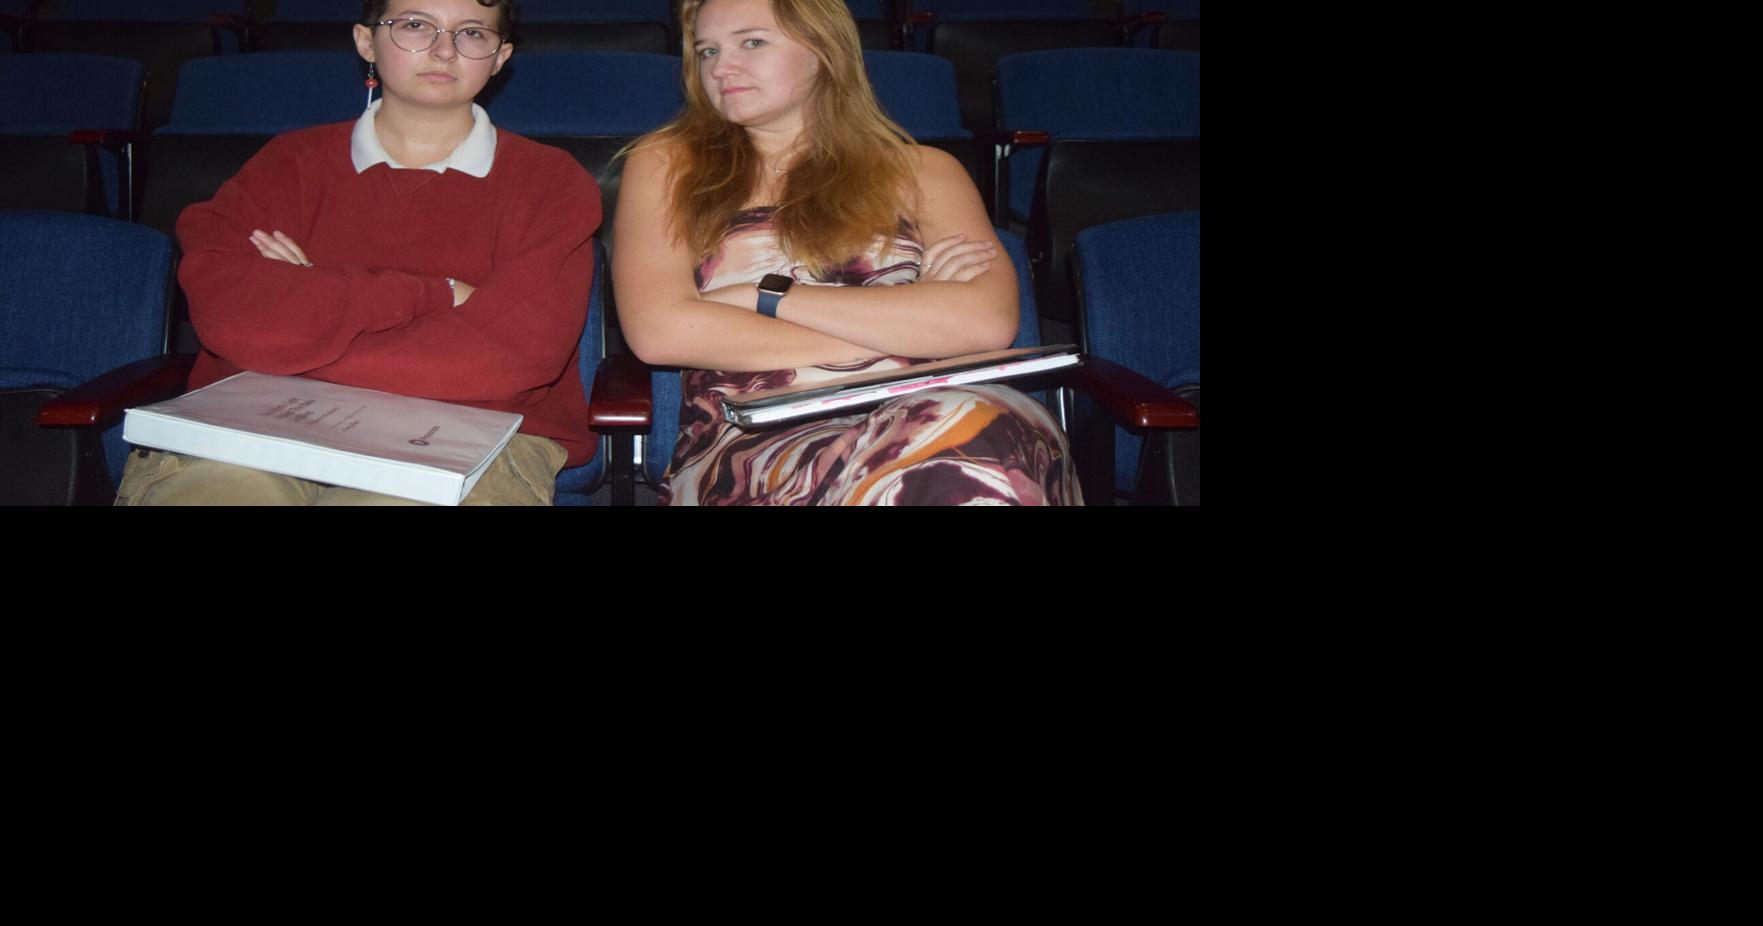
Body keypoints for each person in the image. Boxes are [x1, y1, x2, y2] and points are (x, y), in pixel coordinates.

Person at [114, 0, 601, 505]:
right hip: (255, 422)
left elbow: (514, 359)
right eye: (415, 25)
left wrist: (307, 306)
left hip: (476, 436)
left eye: (472, 33)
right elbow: (229, 316)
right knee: (224, 493)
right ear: (366, 42)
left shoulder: (551, 182)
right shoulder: (288, 164)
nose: (442, 50)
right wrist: (436, 296)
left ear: (500, 57)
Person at [615, 0, 1081, 505]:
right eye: (707, 50)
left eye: (752, 42)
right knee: (957, 442)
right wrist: (916, 327)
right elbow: (660, 332)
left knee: (973, 428)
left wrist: (766, 294)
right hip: (760, 438)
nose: (720, 67)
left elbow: (985, 324)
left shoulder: (924, 171)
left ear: (824, 51)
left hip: (938, 403)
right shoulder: (667, 166)